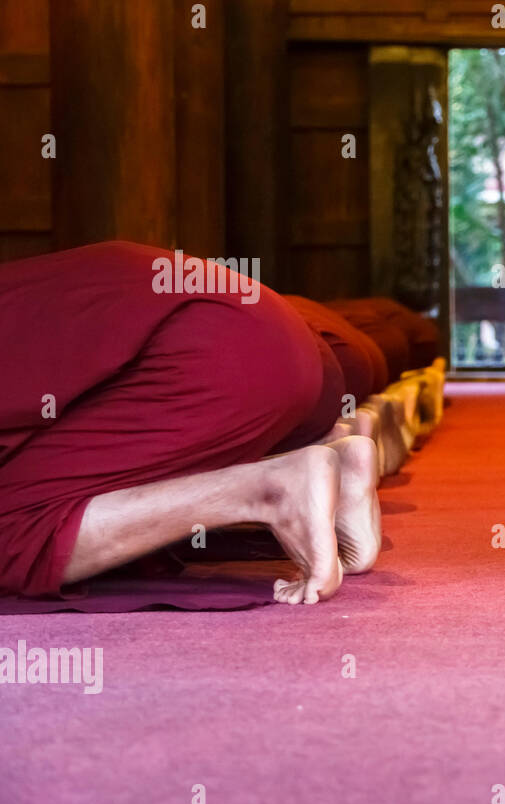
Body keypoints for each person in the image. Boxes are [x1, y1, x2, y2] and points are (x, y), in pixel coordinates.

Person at [0, 242, 381, 604]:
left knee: (14, 532)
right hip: (298, 351)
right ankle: (335, 466)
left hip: (217, 360)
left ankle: (270, 490)